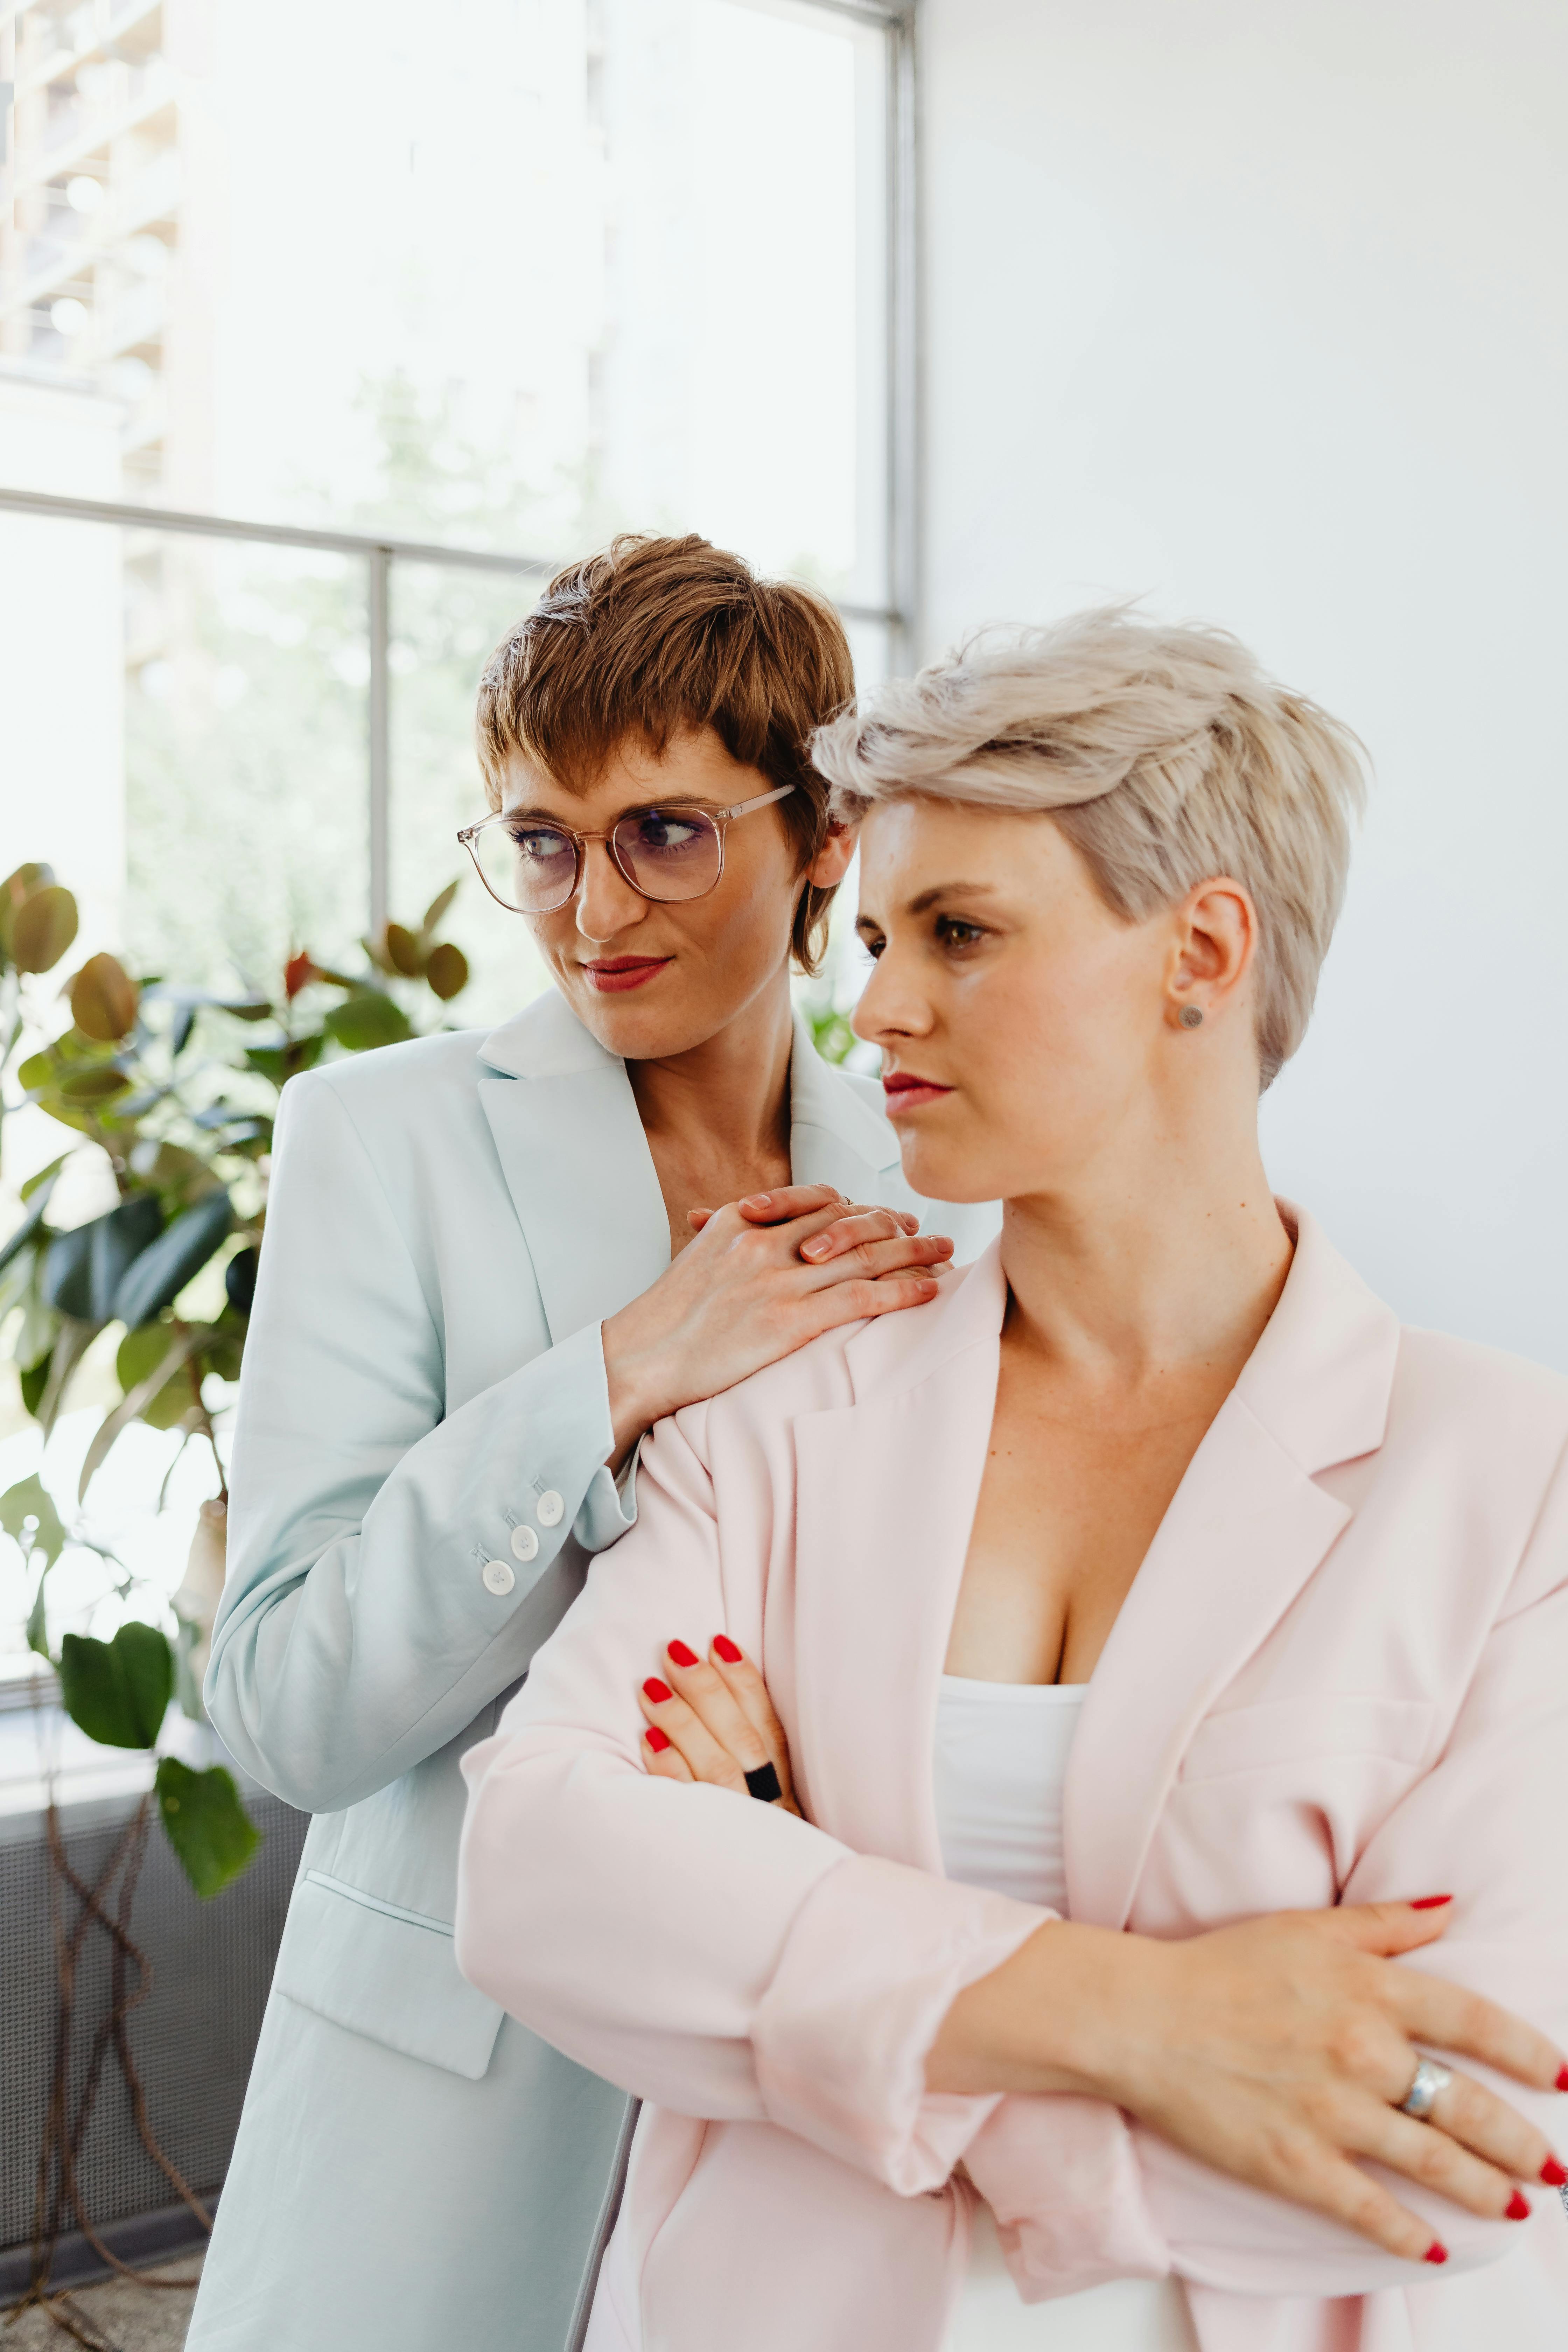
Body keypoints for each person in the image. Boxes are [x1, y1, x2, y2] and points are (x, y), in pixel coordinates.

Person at [455, 609, 1568, 2352]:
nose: (876, 1004)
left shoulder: (1510, 1479)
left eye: (959, 933)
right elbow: (535, 1873)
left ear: (1200, 951)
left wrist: (793, 1908)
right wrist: (1147, 2022)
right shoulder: (779, 1413)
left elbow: (1461, 2142)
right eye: (878, 932)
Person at [186, 534, 998, 2352]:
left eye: (666, 834)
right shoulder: (377, 1142)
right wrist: (616, 1372)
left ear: (821, 837)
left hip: (791, 2109)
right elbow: (290, 1712)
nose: (592, 911)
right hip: (451, 2125)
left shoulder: (938, 1185)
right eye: (543, 840)